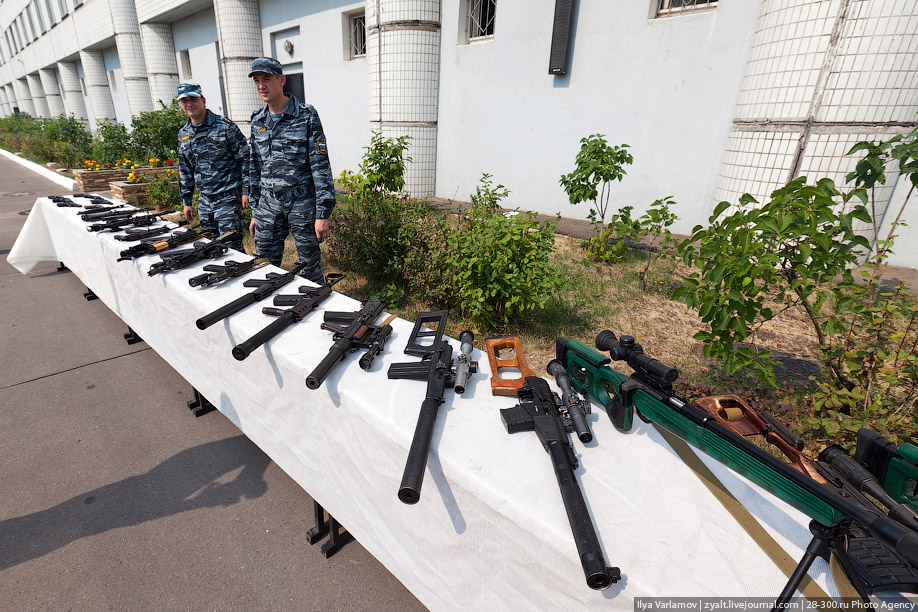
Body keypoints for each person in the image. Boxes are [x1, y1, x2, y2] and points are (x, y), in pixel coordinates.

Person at [247, 57, 335, 284]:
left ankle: (313, 309)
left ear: (281, 80)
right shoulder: (257, 121)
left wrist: (322, 213)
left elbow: (320, 165)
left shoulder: (306, 116)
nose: (261, 86)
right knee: (264, 267)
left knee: (310, 269)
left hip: (301, 203)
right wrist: (256, 209)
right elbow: (254, 165)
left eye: (267, 79)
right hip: (267, 205)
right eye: (257, 81)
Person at [176, 82, 249, 253]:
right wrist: (187, 201)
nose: (189, 104)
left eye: (193, 99)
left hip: (228, 198)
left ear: (203, 100)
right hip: (204, 201)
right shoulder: (183, 133)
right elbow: (185, 169)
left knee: (232, 248)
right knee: (209, 247)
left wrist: (246, 191)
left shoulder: (224, 127)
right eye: (184, 101)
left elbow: (245, 160)